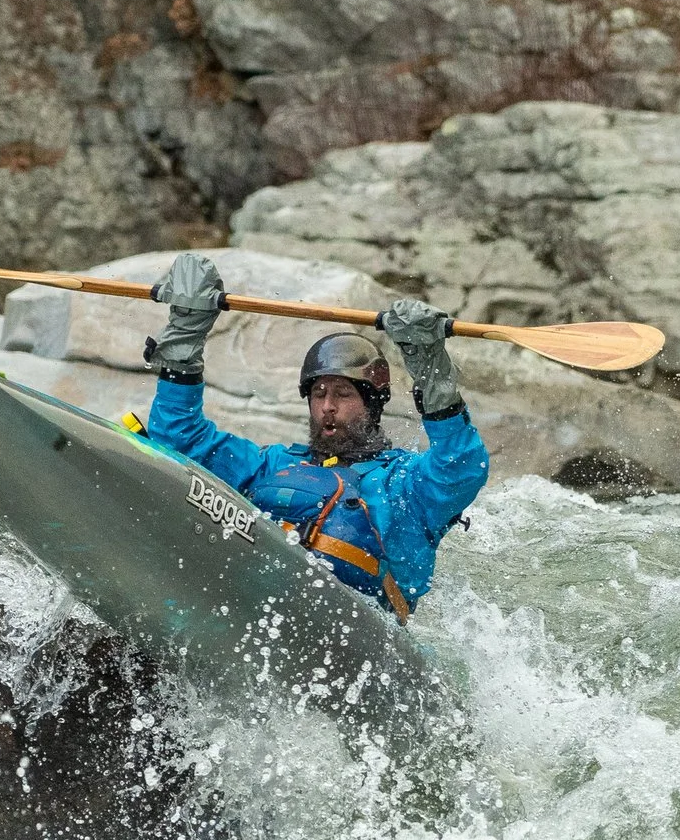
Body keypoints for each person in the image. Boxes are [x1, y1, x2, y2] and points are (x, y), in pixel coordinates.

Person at [139, 251, 490, 622]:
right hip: (252, 609)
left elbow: (461, 468)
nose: (327, 406)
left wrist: (434, 377)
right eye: (319, 394)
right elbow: (179, 441)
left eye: (343, 394)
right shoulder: (270, 465)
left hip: (357, 635)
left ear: (372, 405)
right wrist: (184, 340)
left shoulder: (404, 485)